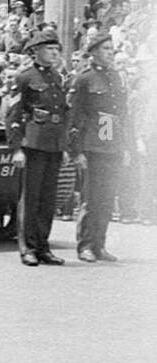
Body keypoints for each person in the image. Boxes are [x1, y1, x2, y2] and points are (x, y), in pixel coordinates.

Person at [6, 30, 69, 266]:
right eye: (49, 49)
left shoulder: (58, 77)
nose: (55, 53)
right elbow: (13, 115)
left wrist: (65, 145)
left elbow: (63, 112)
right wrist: (16, 148)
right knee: (30, 198)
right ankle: (28, 248)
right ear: (35, 51)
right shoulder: (23, 78)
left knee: (47, 199)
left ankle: (43, 246)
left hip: (53, 144)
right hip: (32, 144)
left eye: (56, 49)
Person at [68, 34, 132, 262]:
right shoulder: (84, 79)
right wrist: (77, 151)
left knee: (106, 198)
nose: (110, 52)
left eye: (111, 49)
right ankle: (85, 245)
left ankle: (99, 244)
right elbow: (74, 118)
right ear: (93, 51)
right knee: (90, 198)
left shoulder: (116, 77)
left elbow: (123, 115)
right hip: (92, 146)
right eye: (105, 48)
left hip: (112, 146)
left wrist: (126, 146)